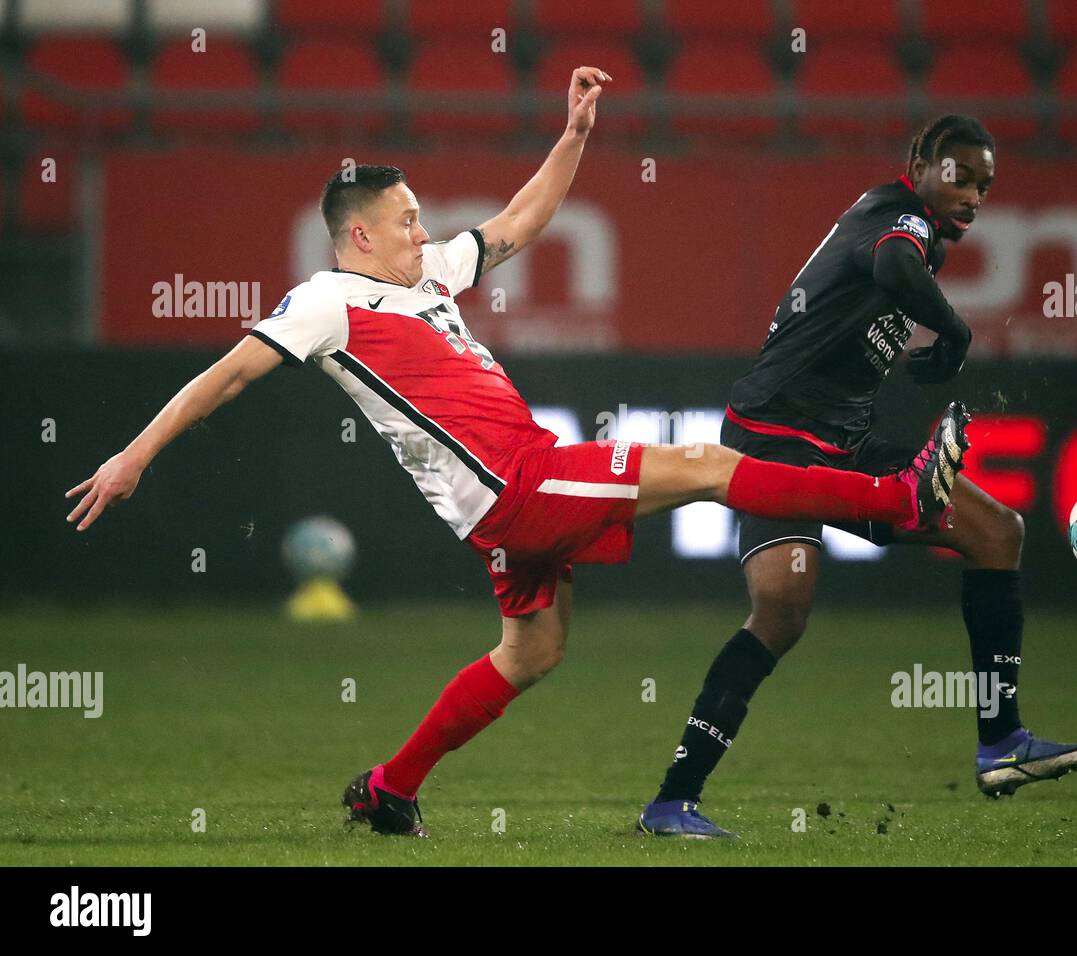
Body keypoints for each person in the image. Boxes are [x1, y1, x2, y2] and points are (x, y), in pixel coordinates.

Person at [64, 68, 969, 837]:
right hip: (517, 482)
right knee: (708, 465)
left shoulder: (431, 277)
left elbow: (522, 219)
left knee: (531, 651)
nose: (426, 231)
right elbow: (224, 376)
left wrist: (573, 133)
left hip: (499, 502)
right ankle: (898, 501)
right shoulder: (327, 302)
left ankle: (390, 790)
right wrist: (134, 456)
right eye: (409, 220)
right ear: (361, 235)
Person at [638, 115, 1077, 839]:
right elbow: (893, 266)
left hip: (846, 441)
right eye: (961, 174)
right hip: (776, 438)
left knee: (996, 532)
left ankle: (1002, 741)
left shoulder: (917, 235)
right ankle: (672, 802)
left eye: (985, 185)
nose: (974, 195)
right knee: (782, 612)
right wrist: (954, 331)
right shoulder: (894, 217)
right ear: (920, 163)